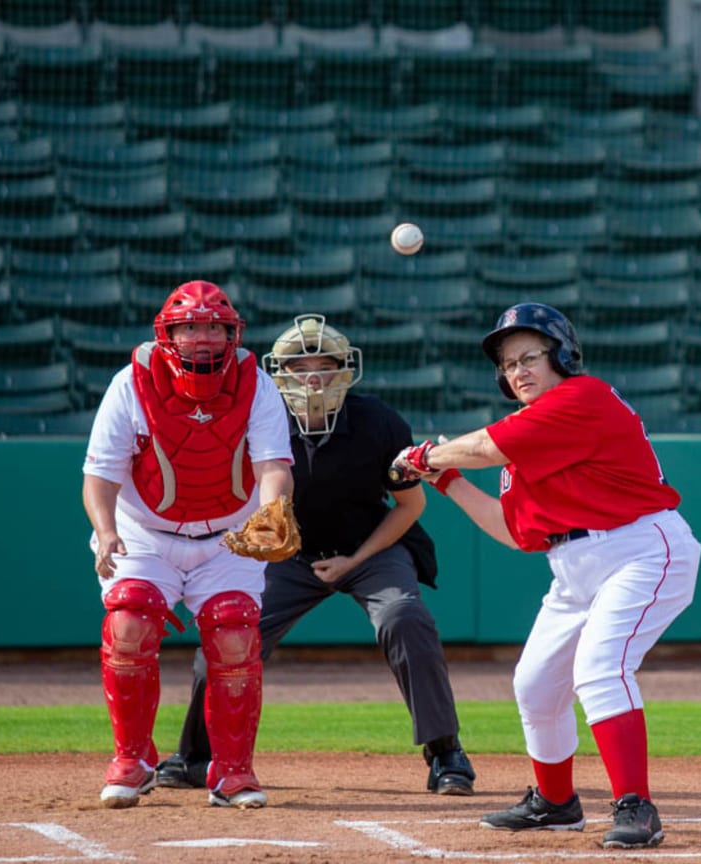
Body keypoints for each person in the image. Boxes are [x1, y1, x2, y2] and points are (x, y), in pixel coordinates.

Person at [388, 302, 701, 850]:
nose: (519, 371)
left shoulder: (583, 397)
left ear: (562, 355)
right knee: (535, 684)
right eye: (509, 365)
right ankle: (556, 804)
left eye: (530, 356)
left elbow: (485, 444)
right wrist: (444, 480)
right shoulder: (525, 450)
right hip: (574, 568)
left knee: (601, 669)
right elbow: (512, 532)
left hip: (642, 549)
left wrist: (425, 455)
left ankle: (636, 806)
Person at [155, 313, 477, 796]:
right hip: (289, 556)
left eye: (324, 366)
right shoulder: (258, 420)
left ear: (346, 372)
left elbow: (411, 506)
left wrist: (353, 560)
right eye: (298, 367)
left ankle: (446, 753)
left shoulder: (379, 422)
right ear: (277, 375)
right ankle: (198, 755)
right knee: (228, 633)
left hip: (370, 547)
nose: (312, 377)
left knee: (404, 615)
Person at [81, 280, 294, 810]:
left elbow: (273, 465)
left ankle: (232, 772)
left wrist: (273, 512)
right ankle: (133, 760)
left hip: (227, 536)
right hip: (143, 531)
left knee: (235, 632)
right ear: (169, 334)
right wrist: (106, 530)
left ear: (231, 333)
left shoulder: (256, 383)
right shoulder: (131, 382)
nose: (203, 338)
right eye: (190, 327)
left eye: (214, 327)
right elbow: (100, 475)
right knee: (129, 622)